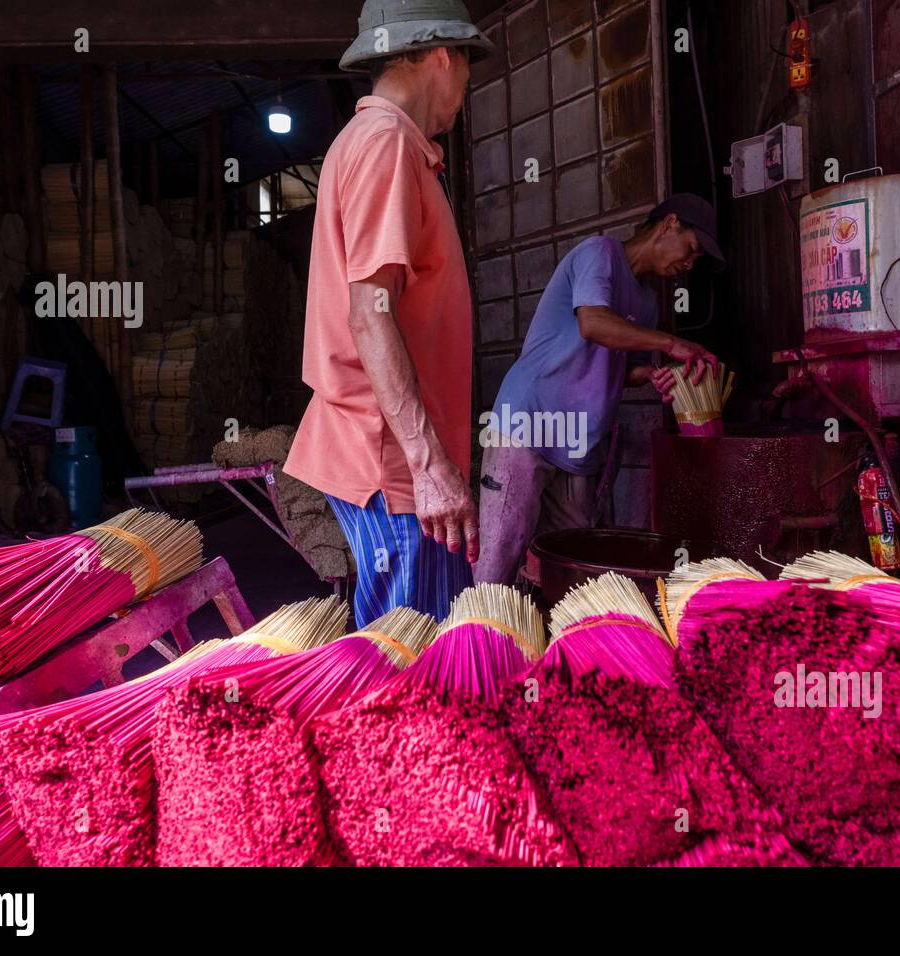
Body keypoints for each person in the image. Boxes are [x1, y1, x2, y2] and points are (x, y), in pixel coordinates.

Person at [285, 0, 493, 627]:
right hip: (391, 463)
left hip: (399, 460)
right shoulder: (385, 146)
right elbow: (370, 313)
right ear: (440, 58)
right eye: (465, 67)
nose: (464, 88)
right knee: (411, 661)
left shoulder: (389, 145)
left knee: (423, 641)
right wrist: (429, 466)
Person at [474, 194, 725, 586]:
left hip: (577, 445)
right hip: (529, 424)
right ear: (669, 224)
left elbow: (612, 369)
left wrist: (646, 375)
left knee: (568, 568)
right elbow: (592, 323)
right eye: (691, 249)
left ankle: (547, 645)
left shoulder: (645, 302)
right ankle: (478, 642)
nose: (689, 264)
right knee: (498, 558)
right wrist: (667, 343)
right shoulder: (600, 253)